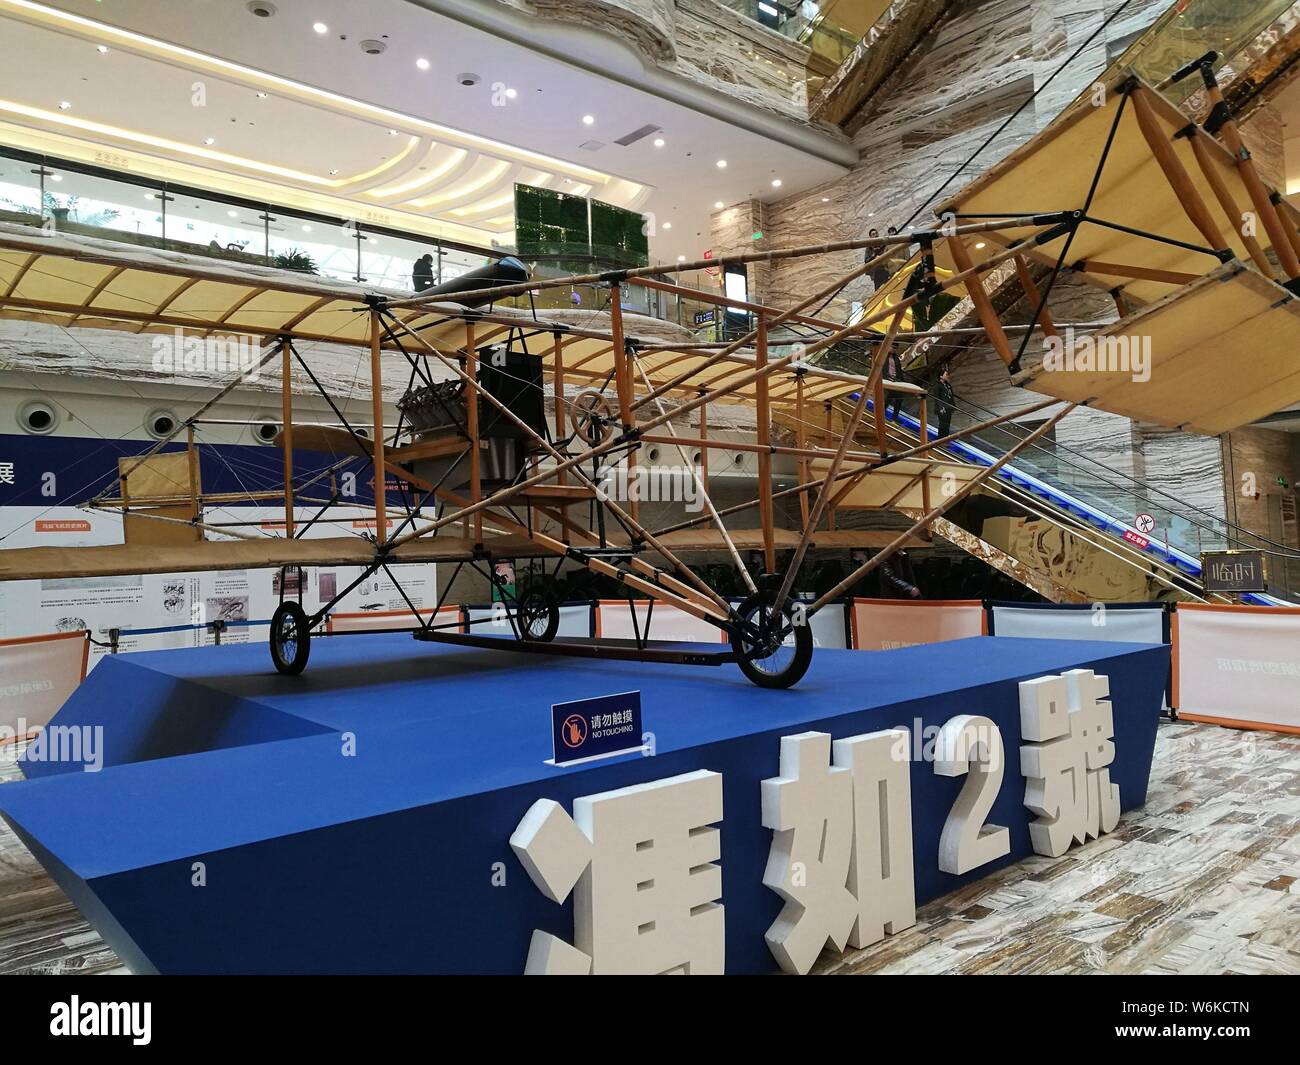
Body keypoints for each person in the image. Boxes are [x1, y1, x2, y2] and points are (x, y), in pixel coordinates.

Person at [882, 348, 907, 422]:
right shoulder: (883, 356)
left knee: (898, 397)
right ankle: (886, 414)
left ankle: (893, 418)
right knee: (893, 395)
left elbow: (899, 371)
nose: (894, 349)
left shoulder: (896, 358)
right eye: (892, 347)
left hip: (896, 380)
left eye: (895, 348)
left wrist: (903, 381)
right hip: (887, 379)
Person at [933, 364, 955, 438]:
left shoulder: (947, 385)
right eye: (946, 375)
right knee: (943, 425)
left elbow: (951, 396)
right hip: (942, 409)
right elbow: (937, 398)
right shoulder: (937, 385)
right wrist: (941, 408)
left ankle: (945, 438)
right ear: (941, 376)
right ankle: (941, 439)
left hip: (948, 407)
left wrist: (953, 406)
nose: (947, 376)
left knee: (947, 424)